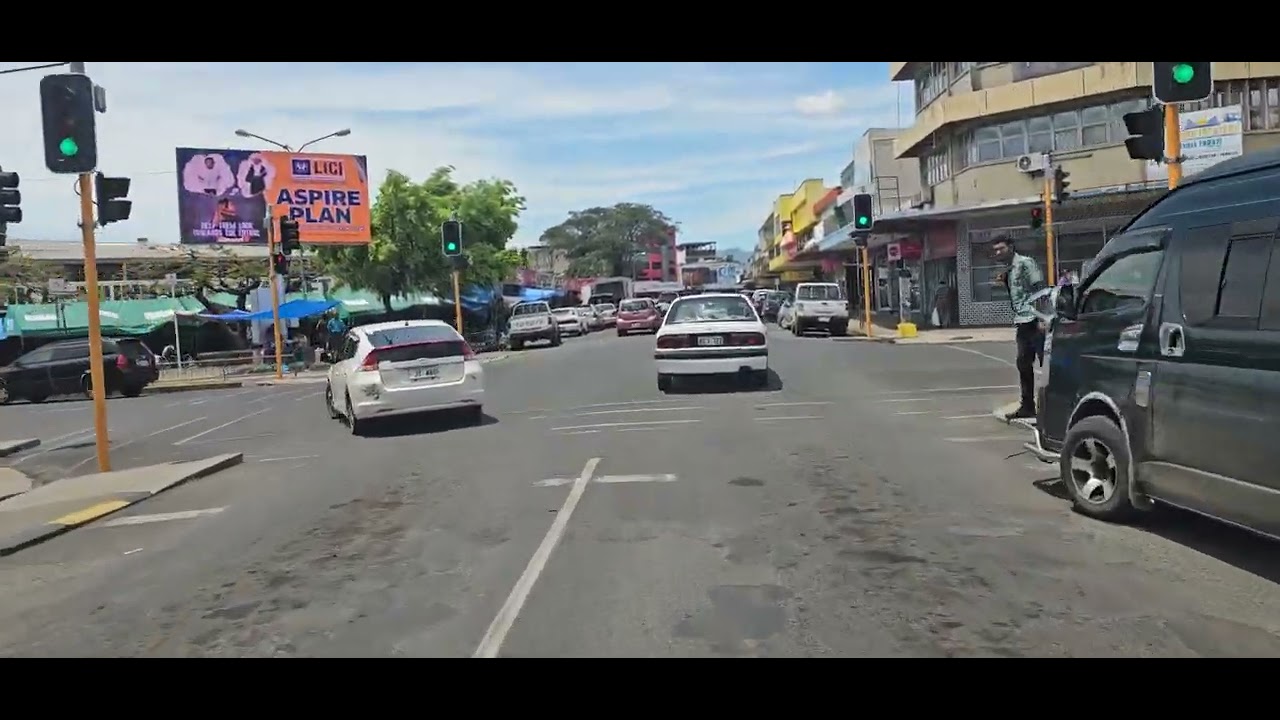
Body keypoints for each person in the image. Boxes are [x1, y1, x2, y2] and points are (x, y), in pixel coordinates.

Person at [991, 236, 1045, 420]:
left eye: (1001, 248)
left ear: (1011, 247)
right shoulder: (1010, 270)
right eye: (996, 250)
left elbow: (1040, 288)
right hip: (1022, 322)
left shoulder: (1025, 263)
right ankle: (1028, 405)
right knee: (1023, 364)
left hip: (1034, 320)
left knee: (1046, 364)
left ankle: (1058, 405)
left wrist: (1043, 318)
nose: (998, 252)